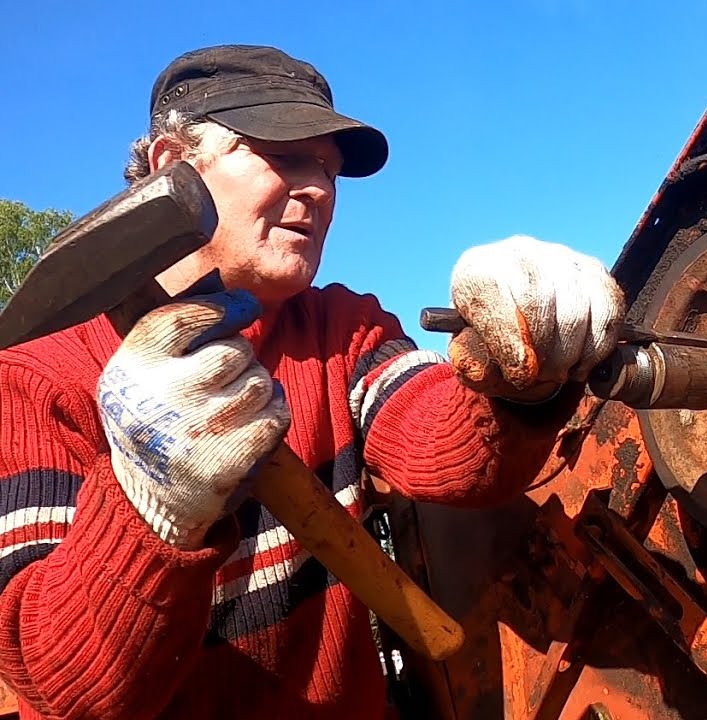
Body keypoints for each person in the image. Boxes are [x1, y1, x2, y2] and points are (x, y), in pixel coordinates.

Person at [0, 44, 624, 719]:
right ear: (172, 165)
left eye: (328, 170)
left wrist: (519, 374)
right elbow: (63, 685)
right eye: (286, 156)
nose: (321, 190)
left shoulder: (339, 328)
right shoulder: (34, 381)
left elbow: (448, 451)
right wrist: (154, 508)